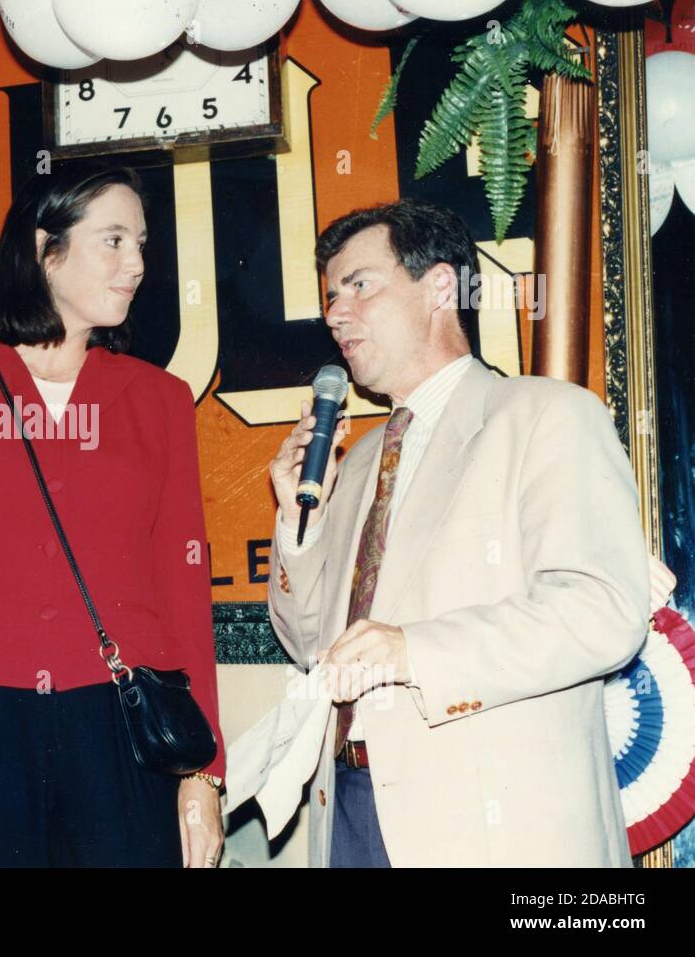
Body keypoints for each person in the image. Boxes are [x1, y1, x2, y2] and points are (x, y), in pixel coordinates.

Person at [0, 163, 226, 868]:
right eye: (113, 240)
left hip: (123, 730)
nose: (137, 264)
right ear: (44, 249)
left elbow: (184, 594)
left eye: (141, 244)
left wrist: (203, 774)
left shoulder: (161, 400)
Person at [267, 198, 651, 867]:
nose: (335, 314)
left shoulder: (547, 416)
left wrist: (413, 650)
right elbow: (310, 648)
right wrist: (302, 524)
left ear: (441, 287)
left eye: (359, 285)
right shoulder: (359, 461)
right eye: (330, 297)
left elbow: (603, 613)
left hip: (490, 824)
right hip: (350, 809)